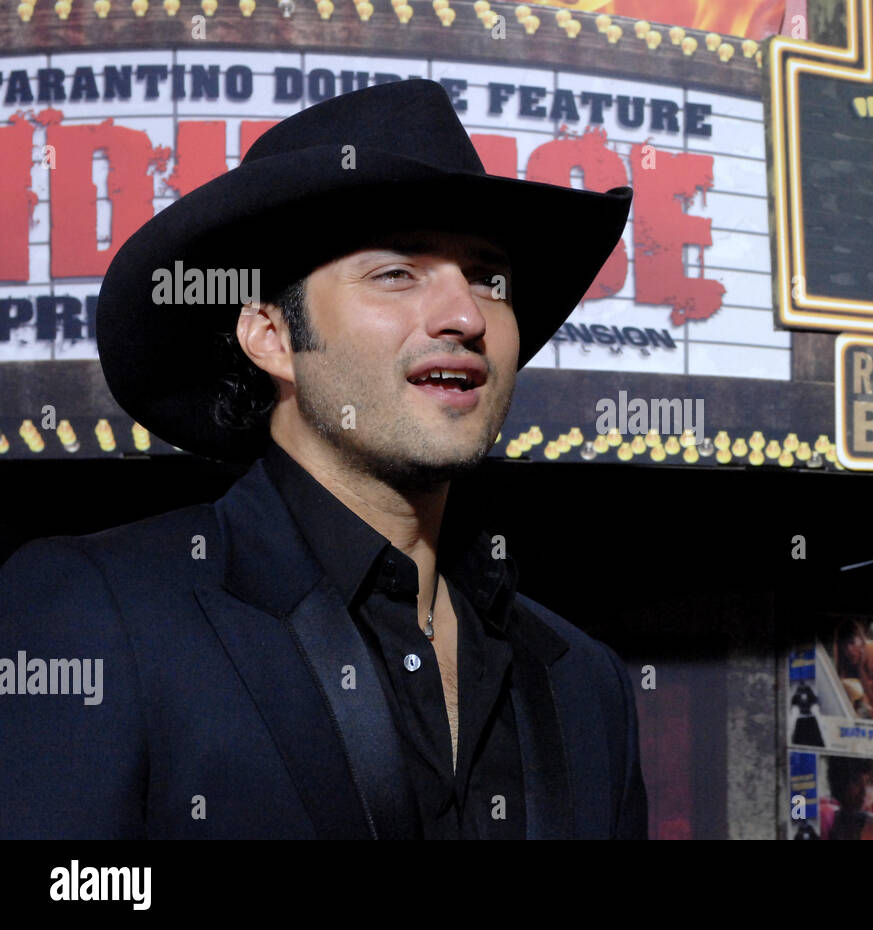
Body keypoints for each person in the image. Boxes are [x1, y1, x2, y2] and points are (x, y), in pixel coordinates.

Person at [0, 80, 646, 840]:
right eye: (396, 273)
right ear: (272, 337)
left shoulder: (584, 679)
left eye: (487, 278)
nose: (467, 315)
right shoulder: (94, 612)